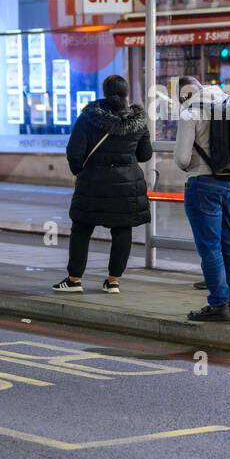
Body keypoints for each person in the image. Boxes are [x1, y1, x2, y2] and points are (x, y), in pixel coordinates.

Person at [52, 74, 152, 294]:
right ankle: (113, 281)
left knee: (82, 228)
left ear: (104, 92)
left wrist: (81, 172)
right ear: (127, 93)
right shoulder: (138, 120)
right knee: (122, 229)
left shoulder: (89, 118)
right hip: (127, 185)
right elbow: (145, 154)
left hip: (93, 183)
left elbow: (74, 152)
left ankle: (74, 279)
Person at [176, 76, 230, 322]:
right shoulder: (229, 103)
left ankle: (218, 304)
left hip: (204, 185)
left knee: (210, 247)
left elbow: (182, 159)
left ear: (184, 95)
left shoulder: (190, 113)